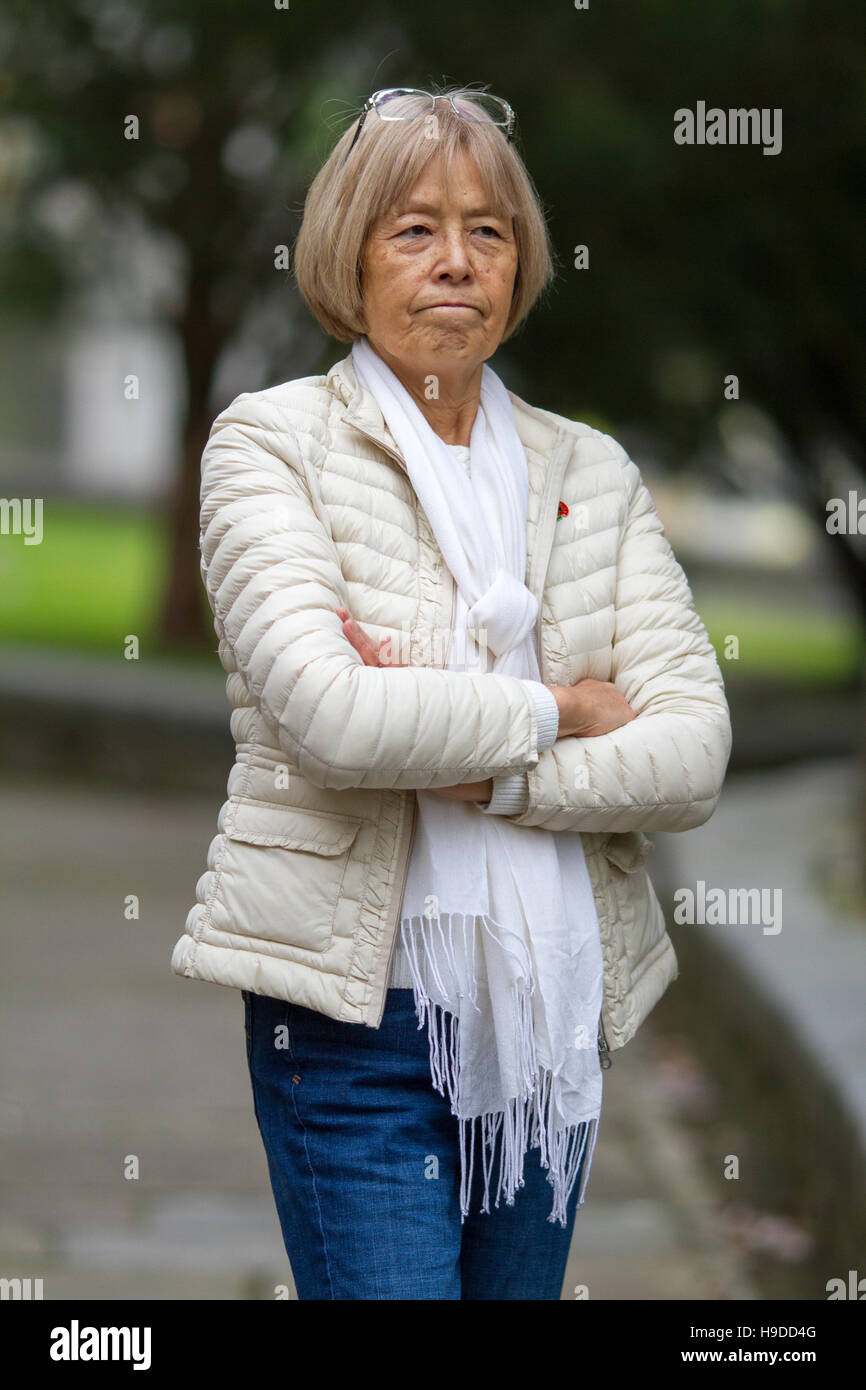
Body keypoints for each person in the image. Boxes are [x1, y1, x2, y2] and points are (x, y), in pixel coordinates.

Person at [170, 85, 732, 1300]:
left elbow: (690, 754)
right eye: (413, 228)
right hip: (353, 1026)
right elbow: (333, 717)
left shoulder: (590, 468)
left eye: (487, 230)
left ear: (520, 262)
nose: (455, 261)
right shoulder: (269, 445)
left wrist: (479, 765)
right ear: (348, 253)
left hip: (551, 1022)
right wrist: (557, 709)